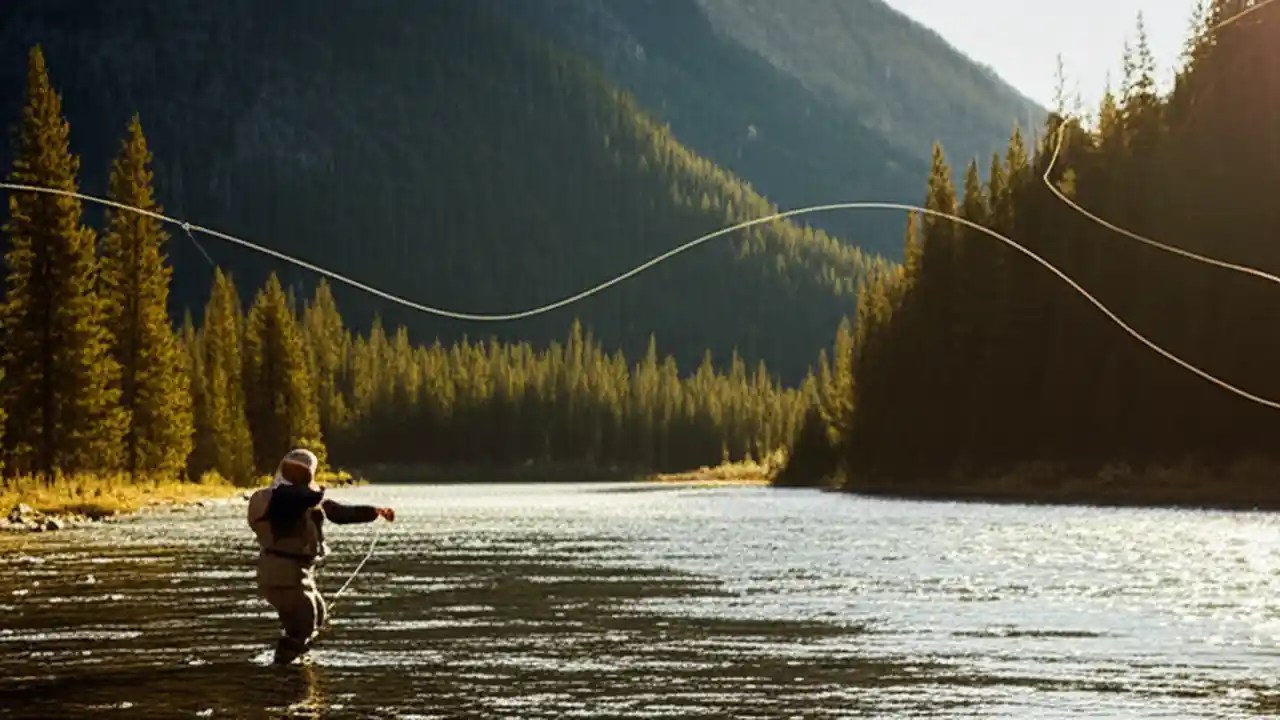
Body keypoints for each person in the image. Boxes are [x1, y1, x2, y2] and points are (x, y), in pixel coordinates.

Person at [246, 448, 394, 664]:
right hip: (280, 572)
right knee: (304, 621)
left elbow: (338, 512)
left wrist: (374, 512)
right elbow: (290, 501)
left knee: (318, 616)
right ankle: (281, 674)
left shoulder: (307, 497)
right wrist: (314, 495)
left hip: (302, 572)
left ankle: (291, 670)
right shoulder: (267, 499)